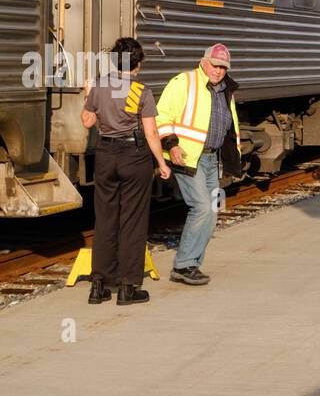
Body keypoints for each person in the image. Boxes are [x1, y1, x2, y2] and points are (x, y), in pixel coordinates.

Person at [81, 38, 171, 306]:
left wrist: (88, 95)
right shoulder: (141, 91)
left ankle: (98, 286)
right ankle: (127, 288)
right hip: (134, 157)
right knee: (132, 221)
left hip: (106, 156)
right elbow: (151, 132)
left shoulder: (98, 86)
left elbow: (87, 121)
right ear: (138, 64)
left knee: (105, 218)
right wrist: (162, 163)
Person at [156, 43, 242, 286]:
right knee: (202, 207)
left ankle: (192, 263)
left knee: (213, 210)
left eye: (223, 67)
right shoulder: (183, 82)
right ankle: (183, 266)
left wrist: (232, 155)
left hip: (212, 159)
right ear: (204, 62)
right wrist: (172, 145)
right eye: (215, 65)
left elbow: (229, 124)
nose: (218, 71)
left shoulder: (226, 89)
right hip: (187, 158)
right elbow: (162, 117)